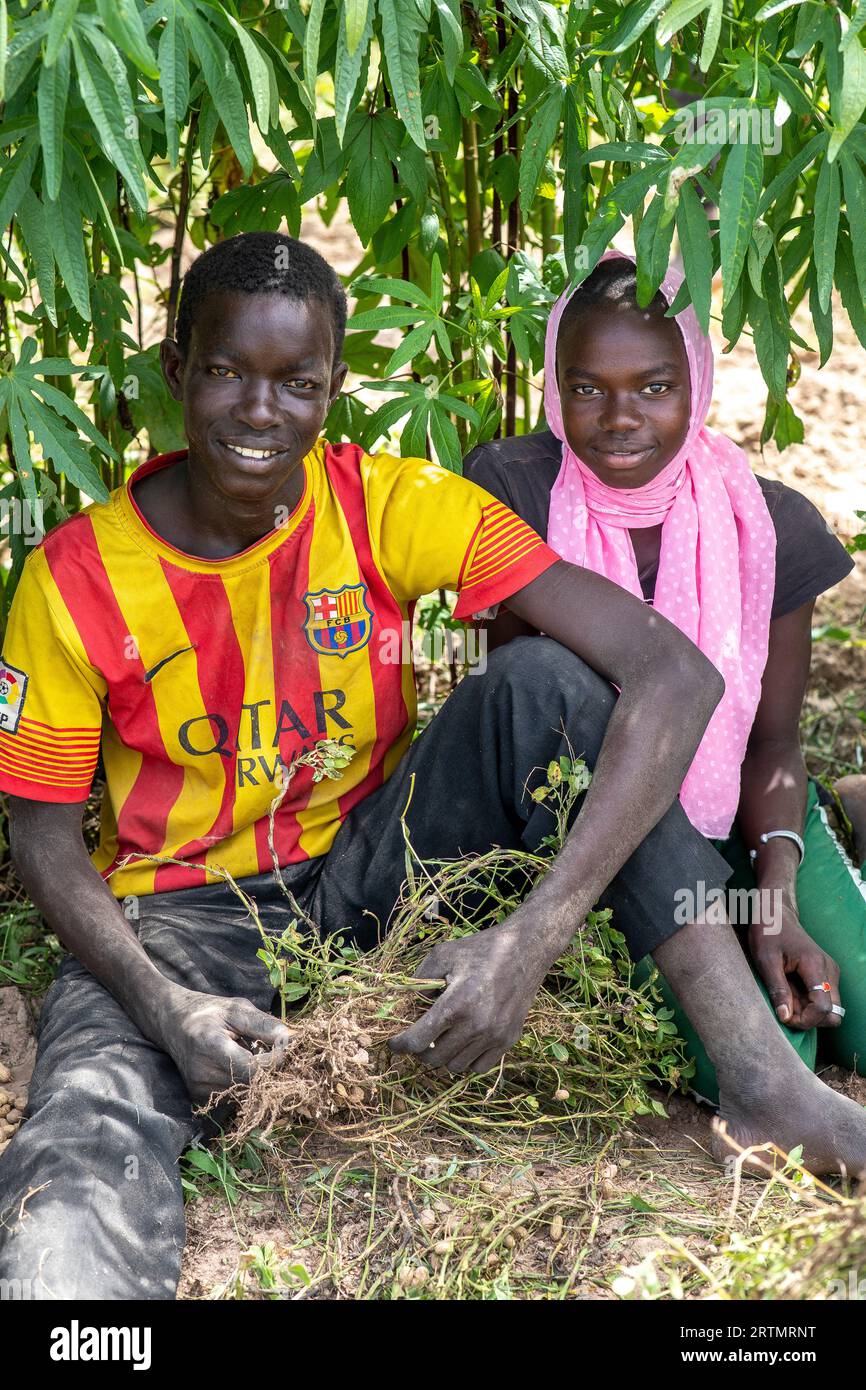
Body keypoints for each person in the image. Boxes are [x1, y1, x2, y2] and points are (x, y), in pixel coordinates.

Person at [1, 234, 865, 1303]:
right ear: (177, 369)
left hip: (375, 869)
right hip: (178, 919)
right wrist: (157, 997)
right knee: (83, 1131)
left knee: (546, 684)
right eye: (226, 371)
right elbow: (39, 833)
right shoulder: (75, 577)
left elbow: (671, 676)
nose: (260, 411)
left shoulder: (386, 502)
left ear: (332, 389)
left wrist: (528, 939)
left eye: (297, 382)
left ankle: (763, 1083)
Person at [465, 250, 866, 1106]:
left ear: (701, 383)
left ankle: (840, 825)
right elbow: (519, 724)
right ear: (551, 385)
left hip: (745, 819)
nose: (619, 418)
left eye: (654, 387)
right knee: (775, 1051)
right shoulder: (512, 494)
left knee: (851, 1003)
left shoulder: (767, 525)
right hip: (607, 840)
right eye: (586, 389)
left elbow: (776, 741)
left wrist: (775, 901)